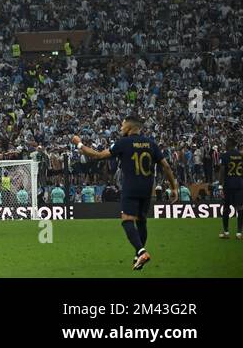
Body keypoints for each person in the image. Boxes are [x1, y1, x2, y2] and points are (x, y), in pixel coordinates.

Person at [72, 115, 178, 270]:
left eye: (122, 125)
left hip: (131, 186)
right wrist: (174, 187)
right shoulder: (151, 144)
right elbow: (166, 167)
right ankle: (137, 256)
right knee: (141, 220)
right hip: (147, 188)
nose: (120, 128)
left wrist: (79, 144)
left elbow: (97, 155)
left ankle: (141, 252)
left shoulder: (124, 143)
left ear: (129, 127)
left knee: (127, 220)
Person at [219, 140, 243, 240]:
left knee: (226, 208)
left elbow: (222, 170)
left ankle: (226, 232)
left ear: (229, 145)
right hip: (239, 184)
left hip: (228, 185)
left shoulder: (225, 155)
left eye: (226, 144)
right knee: (240, 208)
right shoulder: (241, 156)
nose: (225, 145)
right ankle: (239, 233)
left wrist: (220, 185)